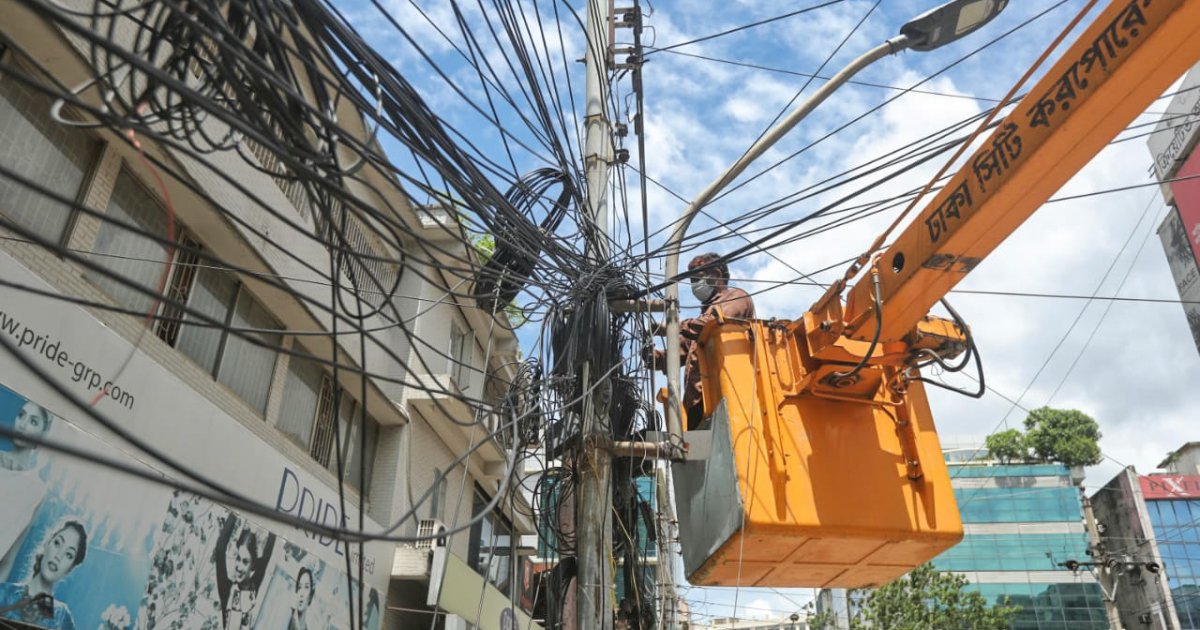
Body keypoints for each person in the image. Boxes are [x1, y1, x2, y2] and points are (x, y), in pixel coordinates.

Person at [648, 253, 755, 430]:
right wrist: (652, 356)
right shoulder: (699, 322)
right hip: (698, 404)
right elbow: (676, 353)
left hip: (727, 394)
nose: (695, 286)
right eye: (692, 281)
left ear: (717, 274)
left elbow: (713, 323)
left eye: (698, 278)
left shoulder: (737, 297)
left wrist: (671, 327)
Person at [0, 401, 54, 581]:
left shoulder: (37, 491)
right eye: (21, 415)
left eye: (33, 421)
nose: (22, 424)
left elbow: (9, 557)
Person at [0, 518, 88, 630]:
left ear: (70, 568)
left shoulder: (62, 618)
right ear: (47, 543)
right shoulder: (4, 592)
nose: (58, 556)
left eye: (69, 555)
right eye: (57, 543)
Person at [214, 517, 275, 630]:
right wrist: (234, 514)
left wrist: (275, 519)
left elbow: (267, 554)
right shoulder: (226, 589)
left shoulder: (254, 586)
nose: (239, 567)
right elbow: (220, 550)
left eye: (245, 562)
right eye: (238, 559)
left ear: (253, 565)